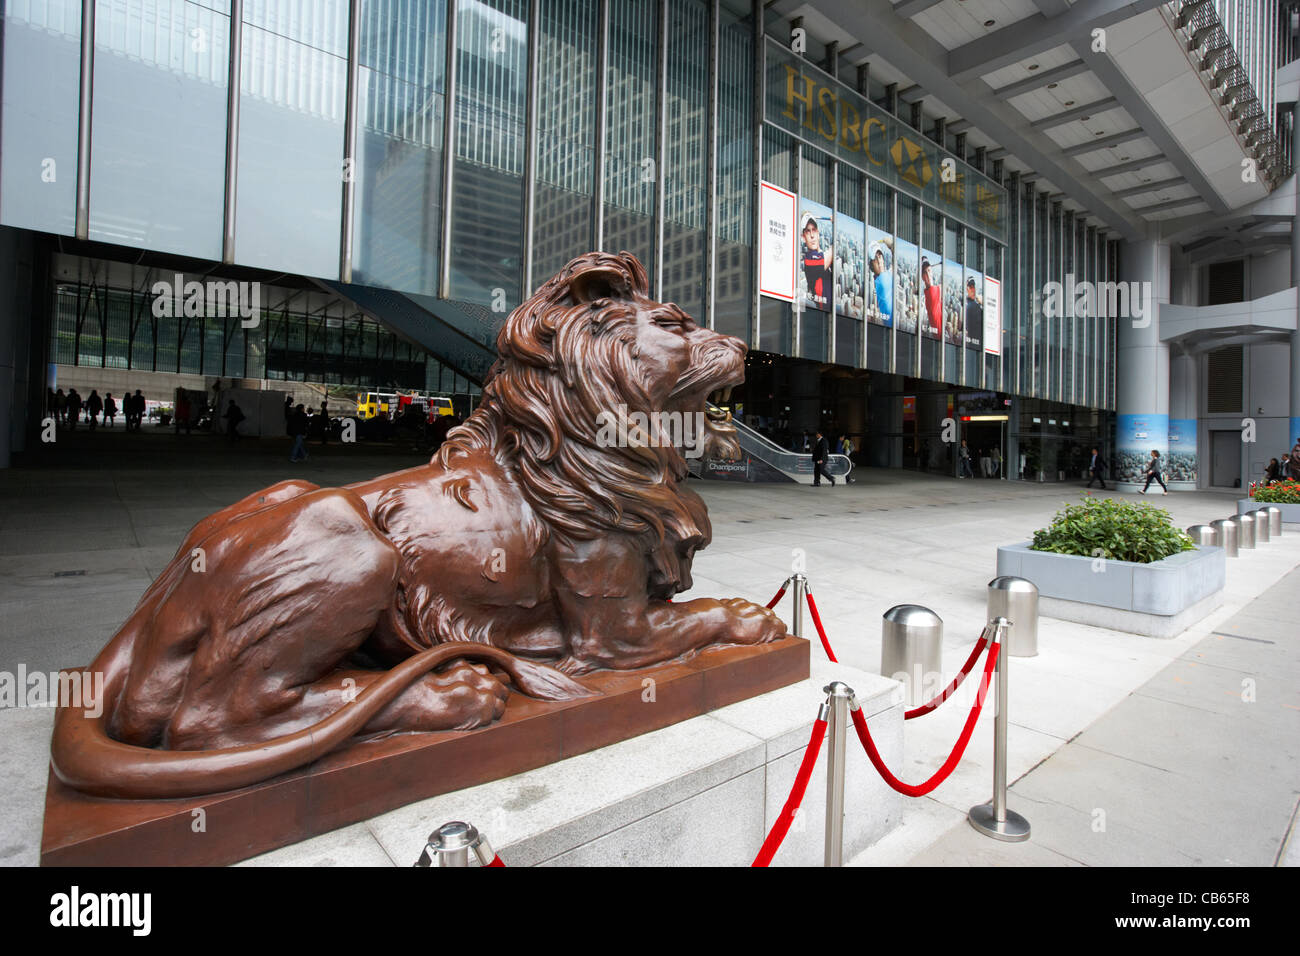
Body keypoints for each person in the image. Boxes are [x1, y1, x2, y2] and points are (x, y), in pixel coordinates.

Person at [800, 215, 832, 310]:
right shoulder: (809, 259)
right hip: (822, 313)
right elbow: (830, 254)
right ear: (803, 237)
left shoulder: (822, 254)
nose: (812, 235)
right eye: (807, 231)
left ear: (818, 233)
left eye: (814, 230)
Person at [869, 249, 893, 324]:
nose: (879, 261)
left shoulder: (886, 274)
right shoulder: (881, 281)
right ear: (872, 266)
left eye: (880, 256)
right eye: (876, 259)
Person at [921, 259, 942, 337]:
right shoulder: (933, 291)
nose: (928, 275)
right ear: (923, 277)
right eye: (925, 273)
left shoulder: (931, 291)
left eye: (929, 271)